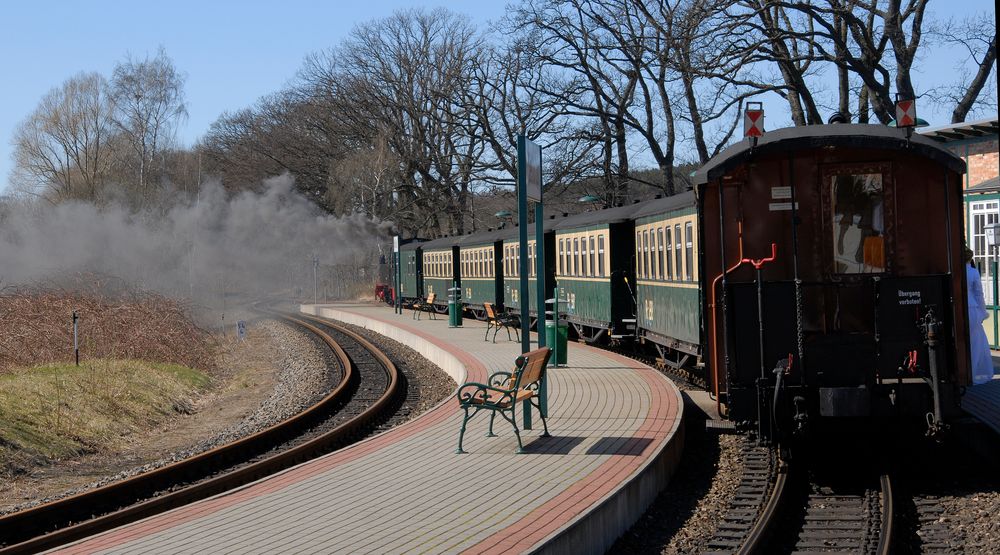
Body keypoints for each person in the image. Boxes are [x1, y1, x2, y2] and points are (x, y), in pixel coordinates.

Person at [966, 248, 995, 384]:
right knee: (976, 342)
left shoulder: (958, 272)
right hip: (972, 309)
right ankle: (972, 371)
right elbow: (979, 294)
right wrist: (983, 313)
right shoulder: (973, 272)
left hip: (961, 307)